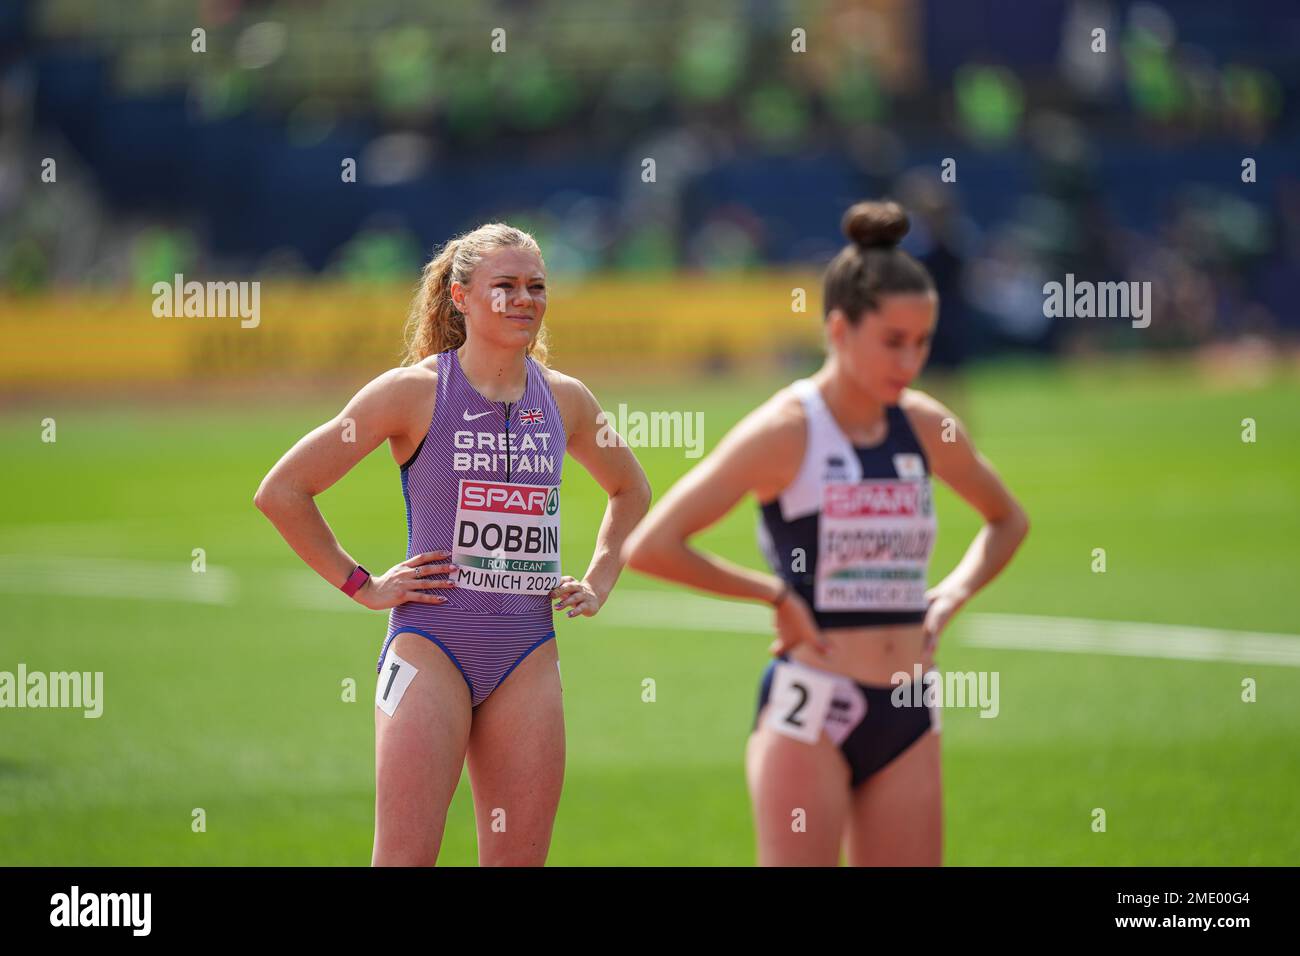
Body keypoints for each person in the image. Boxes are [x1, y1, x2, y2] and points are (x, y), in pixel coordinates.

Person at [623, 200, 1029, 866]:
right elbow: (653, 546)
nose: (911, 360)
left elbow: (1008, 519)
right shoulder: (787, 429)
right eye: (892, 341)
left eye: (922, 341)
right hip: (813, 707)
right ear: (839, 329)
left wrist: (952, 595)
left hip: (908, 705)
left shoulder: (924, 424)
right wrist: (774, 597)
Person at [255, 223, 650, 866]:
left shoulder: (567, 401)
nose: (525, 299)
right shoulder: (412, 392)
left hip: (527, 652)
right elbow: (284, 490)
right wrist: (364, 586)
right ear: (460, 296)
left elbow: (631, 491)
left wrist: (600, 578)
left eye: (536, 287)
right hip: (432, 647)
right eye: (506, 286)